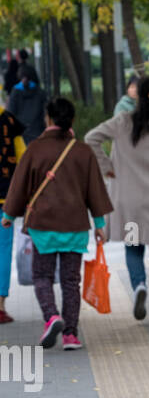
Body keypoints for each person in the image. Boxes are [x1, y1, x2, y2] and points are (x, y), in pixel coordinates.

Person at [2, 97, 112, 349]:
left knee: (42, 275)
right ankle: (71, 335)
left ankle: (52, 316)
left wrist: (8, 216)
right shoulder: (82, 151)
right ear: (71, 120)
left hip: (43, 227)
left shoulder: (35, 149)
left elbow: (19, 187)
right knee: (71, 281)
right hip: (74, 227)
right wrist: (99, 224)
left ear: (48, 119)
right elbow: (94, 191)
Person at [85, 75, 149, 323]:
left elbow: (91, 138)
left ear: (139, 95)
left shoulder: (123, 121)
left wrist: (108, 165)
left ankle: (139, 285)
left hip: (129, 203)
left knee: (133, 248)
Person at [0, 103, 25, 323]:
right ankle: (0, 306)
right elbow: (23, 158)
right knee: (3, 249)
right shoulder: (9, 121)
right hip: (5, 199)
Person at [6, 62, 46, 145]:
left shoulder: (15, 91)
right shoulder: (40, 92)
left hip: (21, 132)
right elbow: (44, 112)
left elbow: (11, 112)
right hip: (37, 130)